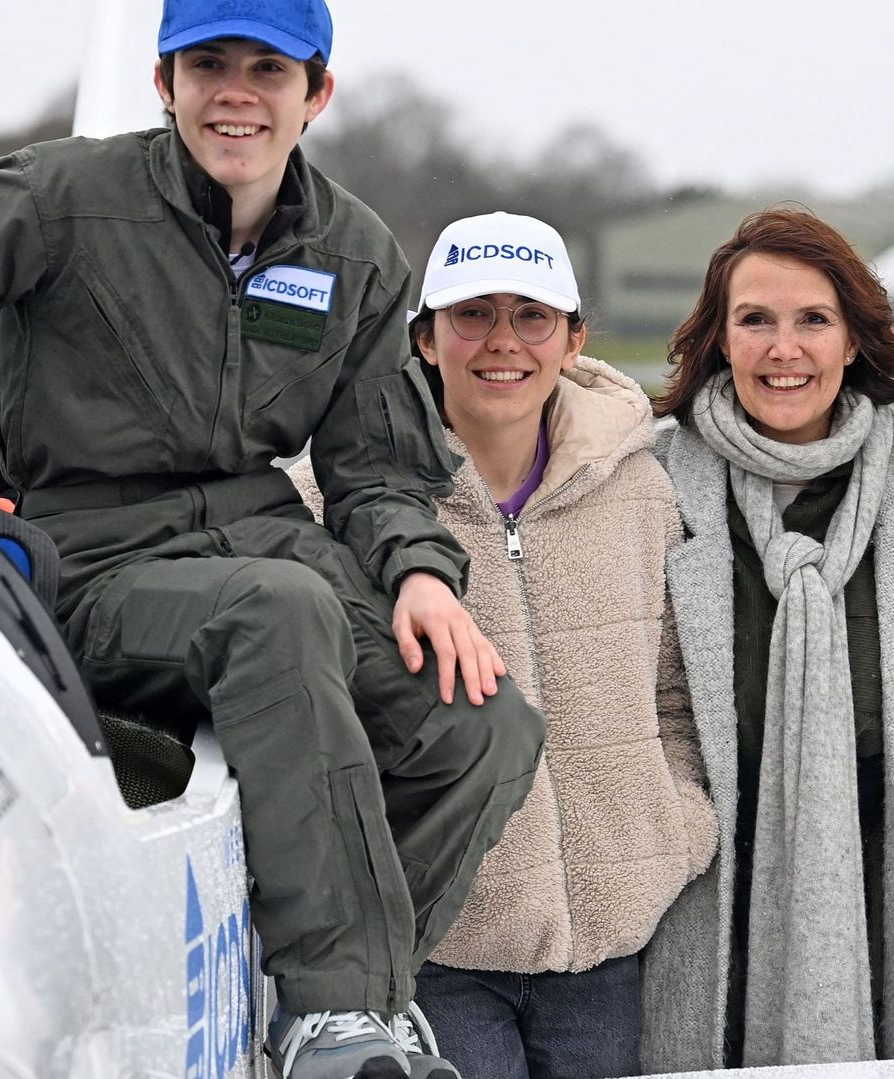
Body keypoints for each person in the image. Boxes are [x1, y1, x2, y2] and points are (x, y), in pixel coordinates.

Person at [0, 3, 547, 1078]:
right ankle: (339, 1016)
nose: (235, 91)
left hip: (267, 531)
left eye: (266, 69)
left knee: (482, 723)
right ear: (165, 81)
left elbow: (374, 467)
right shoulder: (66, 195)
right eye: (209, 65)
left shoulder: (355, 252)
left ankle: (331, 1003)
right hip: (94, 551)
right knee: (278, 612)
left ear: (315, 94)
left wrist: (420, 572)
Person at [291, 211, 716, 1078]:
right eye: (472, 314)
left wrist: (673, 828)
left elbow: (673, 690)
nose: (502, 342)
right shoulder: (332, 501)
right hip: (439, 945)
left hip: (607, 941)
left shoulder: (638, 487)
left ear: (573, 338)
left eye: (532, 315)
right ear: (424, 339)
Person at [639, 207, 894, 1071]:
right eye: (755, 321)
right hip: (704, 884)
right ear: (718, 340)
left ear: (855, 340)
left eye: (813, 321)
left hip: (878, 877)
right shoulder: (652, 479)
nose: (783, 349)